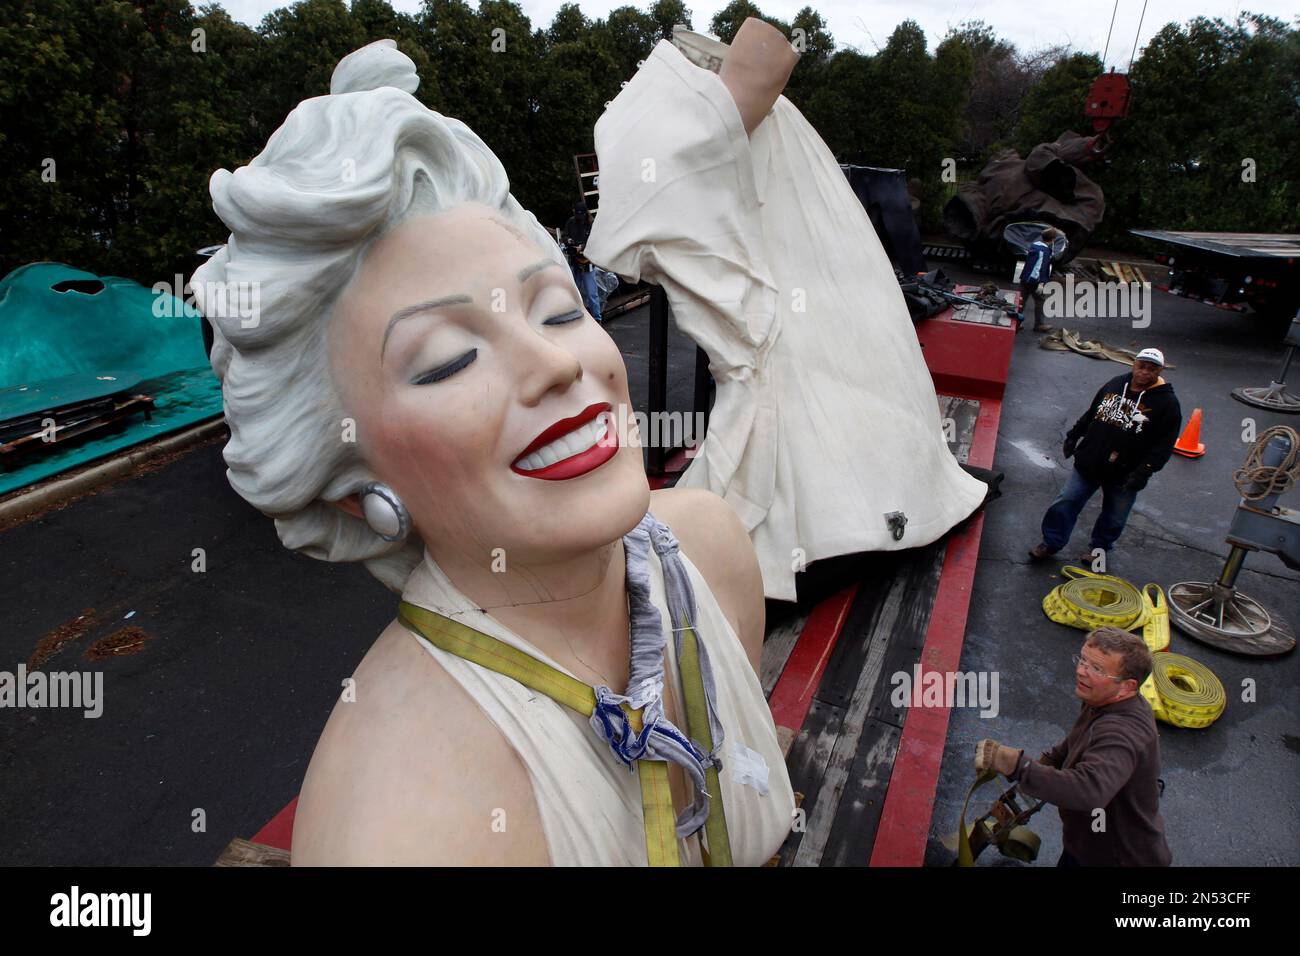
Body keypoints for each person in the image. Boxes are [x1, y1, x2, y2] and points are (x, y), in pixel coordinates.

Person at [191, 39, 795, 866]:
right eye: (445, 360)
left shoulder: (712, 553)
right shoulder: (401, 828)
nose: (557, 363)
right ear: (345, 480)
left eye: (555, 312)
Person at [585, 22, 987, 602]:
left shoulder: (737, 112)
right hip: (776, 268)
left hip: (786, 268)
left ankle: (811, 520)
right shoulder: (726, 115)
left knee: (803, 379)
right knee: (788, 372)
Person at [975, 626, 1172, 867]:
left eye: (1096, 669)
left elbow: (1088, 791)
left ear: (1128, 686)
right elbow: (1070, 749)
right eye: (1082, 660)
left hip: (1114, 858)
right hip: (1090, 840)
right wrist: (1037, 774)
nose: (1081, 671)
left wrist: (1017, 765)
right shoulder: (1101, 701)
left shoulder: (1121, 734)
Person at [1029, 347, 1181, 565]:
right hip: (1090, 461)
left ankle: (1098, 549)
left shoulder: (1168, 404)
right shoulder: (1116, 384)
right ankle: (1051, 543)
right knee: (1066, 501)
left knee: (1114, 516)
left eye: (1152, 368)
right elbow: (1092, 413)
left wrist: (1144, 471)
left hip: (1126, 473)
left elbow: (1164, 445)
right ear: (1134, 364)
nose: (1145, 372)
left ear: (1160, 370)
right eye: (1142, 366)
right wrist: (1074, 435)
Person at [562, 201, 603, 323]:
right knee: (574, 291)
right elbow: (564, 236)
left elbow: (595, 241)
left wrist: (583, 247)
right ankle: (576, 317)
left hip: (587, 262)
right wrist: (568, 240)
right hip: (575, 261)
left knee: (592, 293)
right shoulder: (571, 222)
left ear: (585, 214)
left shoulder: (590, 224)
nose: (579, 218)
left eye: (582, 215)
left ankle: (597, 318)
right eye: (577, 215)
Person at [1018, 226, 1063, 333]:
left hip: (1025, 278)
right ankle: (1039, 324)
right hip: (1035, 280)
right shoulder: (1045, 251)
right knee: (1040, 301)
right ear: (1052, 240)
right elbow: (1041, 267)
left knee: (1021, 301)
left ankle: (1016, 323)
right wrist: (1042, 283)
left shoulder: (1034, 246)